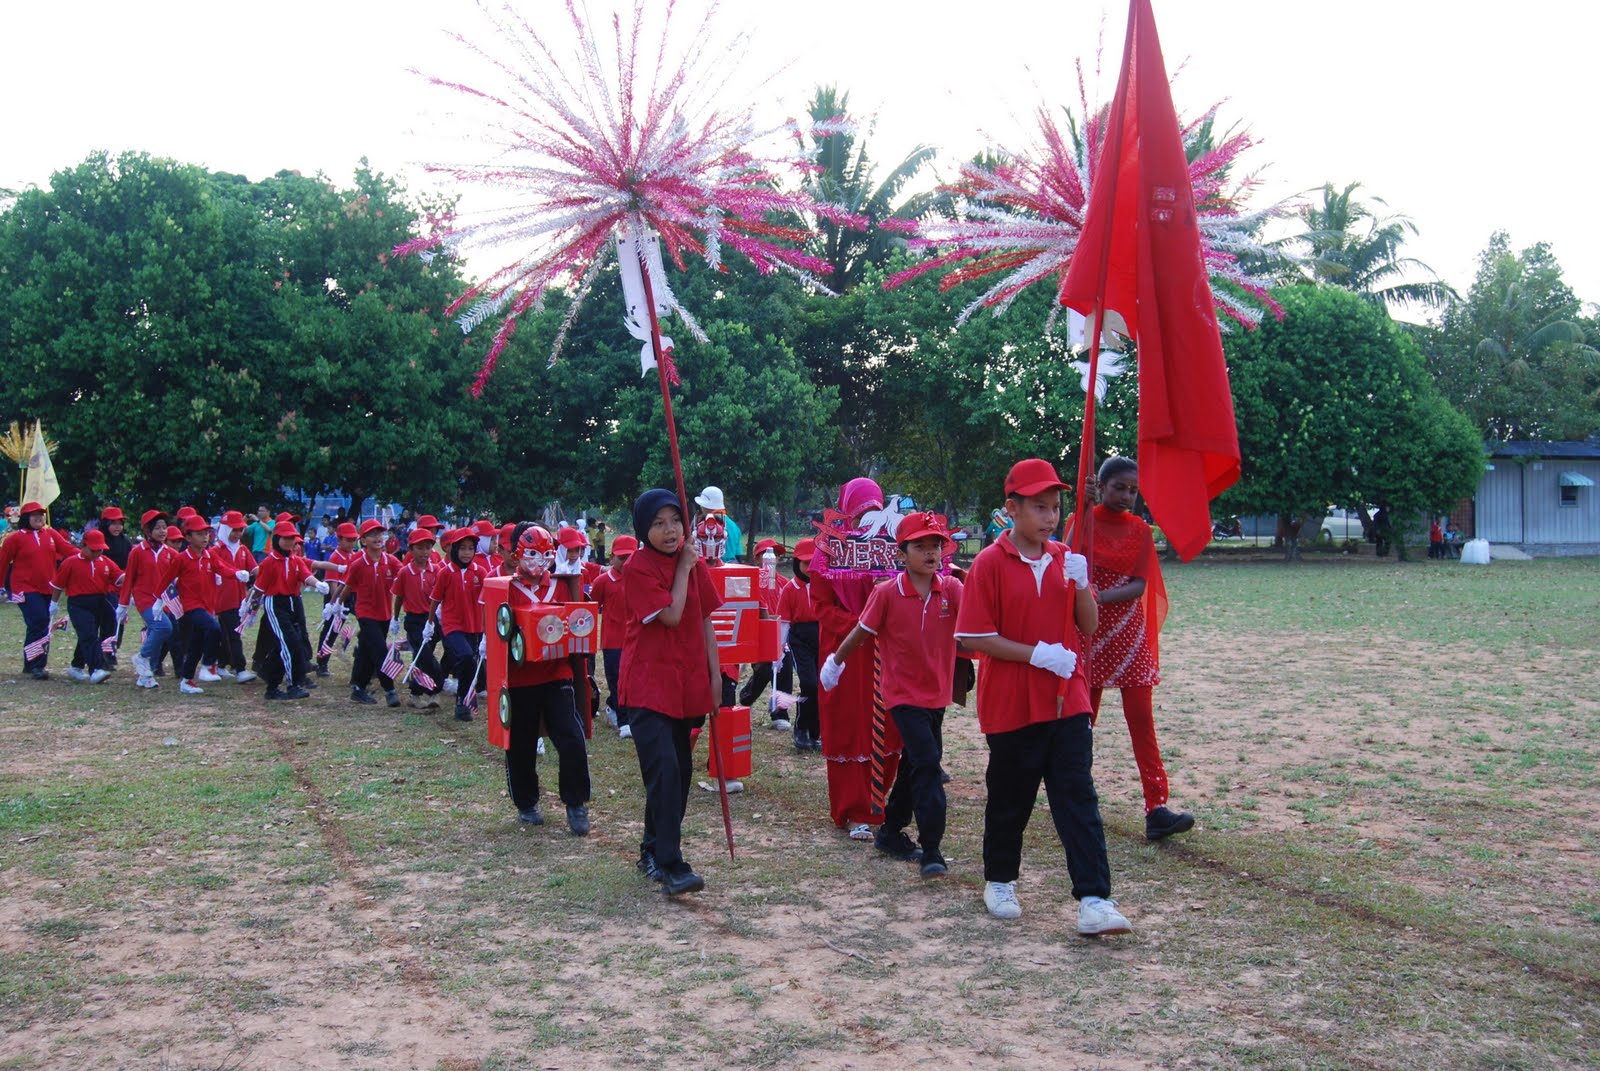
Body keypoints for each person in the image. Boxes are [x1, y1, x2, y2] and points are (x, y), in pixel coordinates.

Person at [953, 458, 1131, 936]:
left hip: (1067, 700)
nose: (1050, 518)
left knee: (1077, 797)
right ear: (1012, 509)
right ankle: (1000, 879)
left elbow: (1088, 625)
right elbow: (972, 636)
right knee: (1012, 799)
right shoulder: (989, 563)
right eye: (1039, 507)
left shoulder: (1064, 559)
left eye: (1055, 508)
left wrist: (1081, 583)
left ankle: (1095, 898)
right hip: (1012, 704)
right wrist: (1036, 655)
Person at [821, 512, 963, 878]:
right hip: (900, 696)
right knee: (929, 763)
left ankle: (890, 831)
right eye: (920, 546)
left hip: (937, 696)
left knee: (917, 763)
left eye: (936, 546)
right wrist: (835, 664)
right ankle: (932, 849)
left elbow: (983, 617)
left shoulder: (952, 590)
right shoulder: (887, 593)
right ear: (902, 554)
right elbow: (861, 632)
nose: (931, 553)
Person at [619, 489, 724, 896]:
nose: (669, 530)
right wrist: (683, 568)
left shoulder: (694, 564)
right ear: (644, 530)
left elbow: (703, 622)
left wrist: (717, 678)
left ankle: (651, 847)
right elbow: (672, 614)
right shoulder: (637, 568)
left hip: (684, 684)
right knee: (664, 768)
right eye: (659, 523)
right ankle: (671, 863)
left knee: (678, 773)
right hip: (646, 685)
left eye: (675, 521)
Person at [1085, 458, 1194, 841]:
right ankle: (1075, 795)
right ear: (1100, 486)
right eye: (1119, 488)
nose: (1127, 496)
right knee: (1083, 724)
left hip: (1129, 636)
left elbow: (1138, 584)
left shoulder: (1141, 531)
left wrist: (1098, 595)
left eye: (1133, 490)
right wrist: (1081, 513)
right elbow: (1064, 560)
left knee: (1142, 725)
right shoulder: (1082, 523)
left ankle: (1157, 808)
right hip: (1088, 634)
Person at [811, 479, 903, 838]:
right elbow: (820, 606)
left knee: (889, 722)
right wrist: (862, 625)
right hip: (845, 652)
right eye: (862, 509)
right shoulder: (829, 551)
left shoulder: (893, 545)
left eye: (874, 508)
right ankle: (854, 809)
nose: (868, 517)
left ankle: (879, 802)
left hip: (888, 650)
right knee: (851, 725)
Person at [499, 524, 593, 834]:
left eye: (545, 555)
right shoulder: (506, 587)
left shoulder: (561, 585)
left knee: (570, 735)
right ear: (517, 555)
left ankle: (576, 803)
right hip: (521, 677)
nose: (539, 562)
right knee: (522, 742)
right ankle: (526, 802)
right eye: (532, 554)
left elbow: (578, 621)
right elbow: (498, 627)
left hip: (557, 673)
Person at [0, 501, 78, 679]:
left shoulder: (50, 534)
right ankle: (38, 665)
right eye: (34, 515)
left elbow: (67, 549)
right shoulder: (14, 539)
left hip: (47, 587)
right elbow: (2, 563)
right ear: (26, 518)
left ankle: (29, 662)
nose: (39, 517)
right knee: (40, 621)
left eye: (41, 514)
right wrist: (1, 586)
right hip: (23, 588)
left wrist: (87, 555)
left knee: (36, 625)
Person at [251, 520, 329, 700]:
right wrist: (250, 607)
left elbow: (305, 575)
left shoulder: (295, 559)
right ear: (277, 538)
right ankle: (293, 684)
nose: (288, 542)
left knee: (286, 645)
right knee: (290, 644)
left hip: (292, 603)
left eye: (291, 538)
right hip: (276, 604)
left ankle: (271, 683)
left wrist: (318, 584)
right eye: (285, 538)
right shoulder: (269, 562)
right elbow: (259, 588)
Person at [343, 518, 405, 707]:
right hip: (365, 613)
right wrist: (337, 604)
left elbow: (404, 579)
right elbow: (348, 585)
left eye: (380, 534)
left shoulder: (391, 561)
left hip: (385, 613)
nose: (377, 538)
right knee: (379, 649)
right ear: (363, 541)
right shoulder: (358, 563)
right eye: (372, 535)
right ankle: (389, 690)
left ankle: (358, 688)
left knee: (366, 650)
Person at [430, 527, 489, 721]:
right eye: (462, 548)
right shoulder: (445, 572)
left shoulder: (480, 572)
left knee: (470, 664)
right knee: (465, 658)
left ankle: (462, 701)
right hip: (452, 625)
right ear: (454, 549)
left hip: (474, 627)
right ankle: (459, 697)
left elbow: (489, 598)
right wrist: (430, 623)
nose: (466, 552)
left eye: (470, 548)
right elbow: (436, 599)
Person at [49, 528, 122, 684]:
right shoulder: (71, 562)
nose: (97, 553)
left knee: (88, 635)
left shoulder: (106, 562)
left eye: (100, 550)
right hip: (78, 604)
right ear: (84, 546)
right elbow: (58, 585)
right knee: (89, 634)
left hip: (99, 602)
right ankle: (96, 669)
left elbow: (119, 577)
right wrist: (54, 603)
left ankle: (76, 666)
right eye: (93, 550)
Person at [588, 534, 637, 736]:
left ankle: (614, 707)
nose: (625, 563)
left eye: (630, 558)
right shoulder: (602, 581)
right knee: (616, 679)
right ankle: (624, 722)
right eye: (621, 558)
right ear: (611, 558)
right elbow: (592, 606)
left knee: (634, 680)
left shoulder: (641, 579)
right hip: (613, 640)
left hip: (636, 639)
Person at [775, 538, 822, 751]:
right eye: (806, 563)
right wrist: (778, 651)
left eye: (815, 562)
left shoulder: (826, 585)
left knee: (823, 688)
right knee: (809, 684)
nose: (810, 568)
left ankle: (816, 733)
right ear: (796, 563)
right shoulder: (790, 589)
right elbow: (784, 622)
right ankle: (801, 728)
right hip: (799, 640)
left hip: (823, 638)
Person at [391, 528, 445, 709]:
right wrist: (395, 619)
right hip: (414, 620)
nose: (425, 552)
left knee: (420, 656)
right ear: (411, 550)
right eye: (420, 548)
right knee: (424, 656)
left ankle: (416, 693)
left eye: (428, 547)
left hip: (431, 619)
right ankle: (437, 685)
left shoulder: (437, 570)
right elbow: (398, 597)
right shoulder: (405, 572)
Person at [172, 515, 226, 695]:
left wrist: (238, 573)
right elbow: (166, 579)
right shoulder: (181, 559)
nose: (205, 538)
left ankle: (186, 680)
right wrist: (158, 600)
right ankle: (208, 665)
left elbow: (223, 568)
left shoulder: (209, 555)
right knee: (214, 628)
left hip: (207, 605)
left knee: (196, 643)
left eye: (207, 534)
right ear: (188, 538)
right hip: (191, 606)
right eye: (199, 534)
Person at [210, 510, 258, 683]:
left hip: (240, 600)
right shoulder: (215, 551)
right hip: (223, 599)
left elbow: (255, 569)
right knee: (234, 634)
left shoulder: (243, 549)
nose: (238, 534)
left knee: (227, 634)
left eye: (240, 530)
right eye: (234, 530)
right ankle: (240, 669)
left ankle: (221, 665)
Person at [314, 522, 360, 678]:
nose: (351, 543)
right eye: (348, 540)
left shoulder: (354, 555)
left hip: (352, 595)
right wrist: (337, 603)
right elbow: (332, 582)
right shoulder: (335, 556)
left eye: (354, 540)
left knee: (367, 622)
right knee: (331, 630)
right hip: (337, 597)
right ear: (339, 540)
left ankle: (363, 653)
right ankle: (322, 662)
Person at [694, 486, 743, 563]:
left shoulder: (701, 526)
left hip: (710, 567)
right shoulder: (734, 526)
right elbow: (739, 555)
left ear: (704, 505)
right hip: (731, 566)